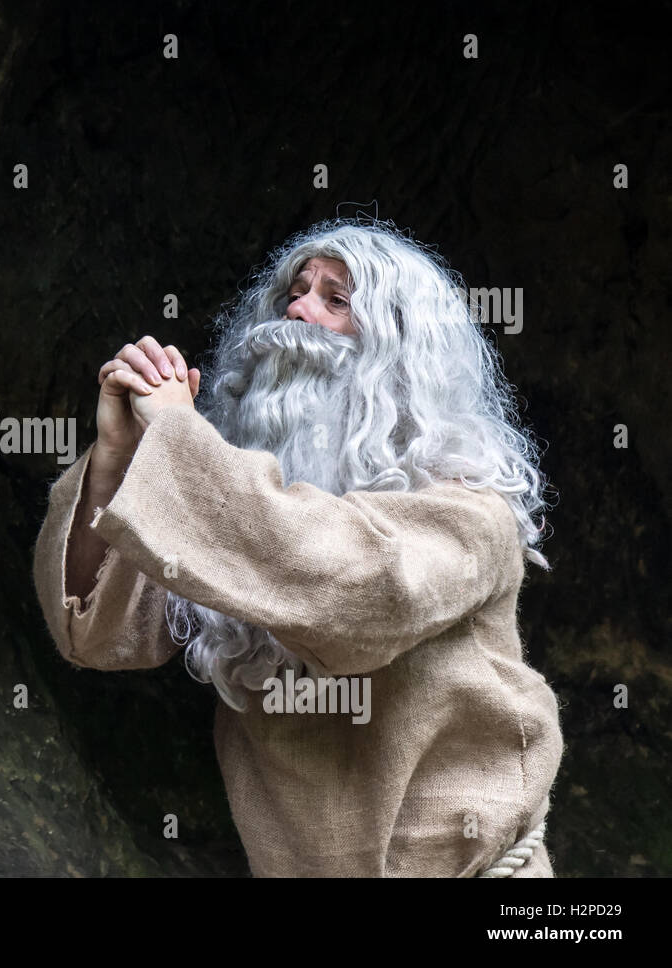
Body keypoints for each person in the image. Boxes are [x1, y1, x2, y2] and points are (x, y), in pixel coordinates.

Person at [32, 218, 565, 877]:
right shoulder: (228, 523)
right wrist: (120, 456)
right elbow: (97, 634)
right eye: (295, 290)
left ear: (401, 351)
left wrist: (178, 438)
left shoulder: (470, 512)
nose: (297, 309)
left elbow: (352, 588)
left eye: (336, 299)